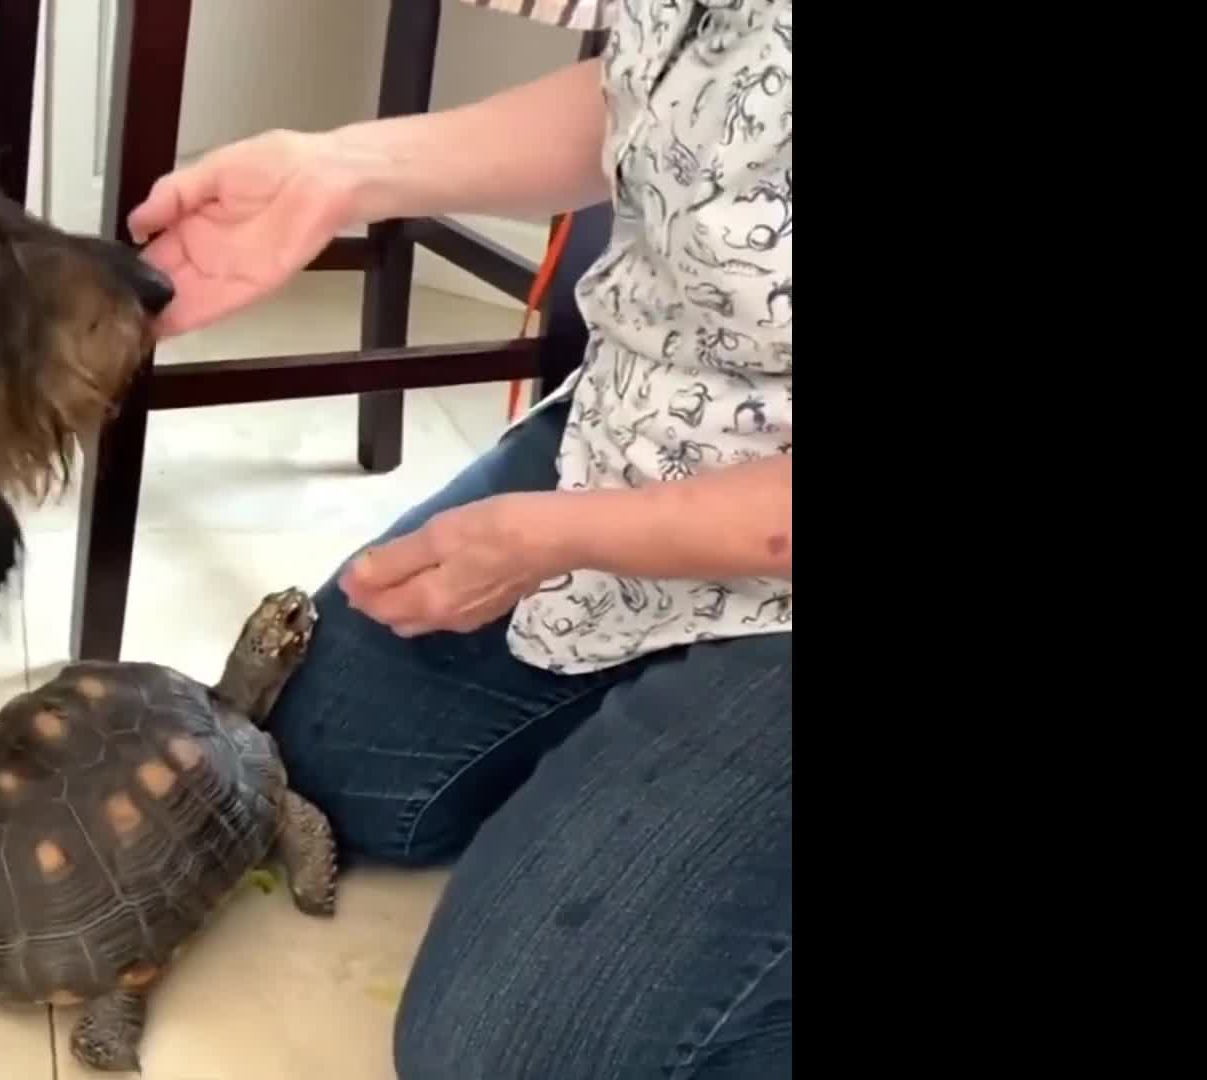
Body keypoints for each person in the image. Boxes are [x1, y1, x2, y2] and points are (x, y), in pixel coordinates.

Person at [125, 3, 791, 1078]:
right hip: (660, 434)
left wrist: (563, 537)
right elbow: (674, 90)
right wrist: (341, 169)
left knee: (507, 1053)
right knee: (324, 756)